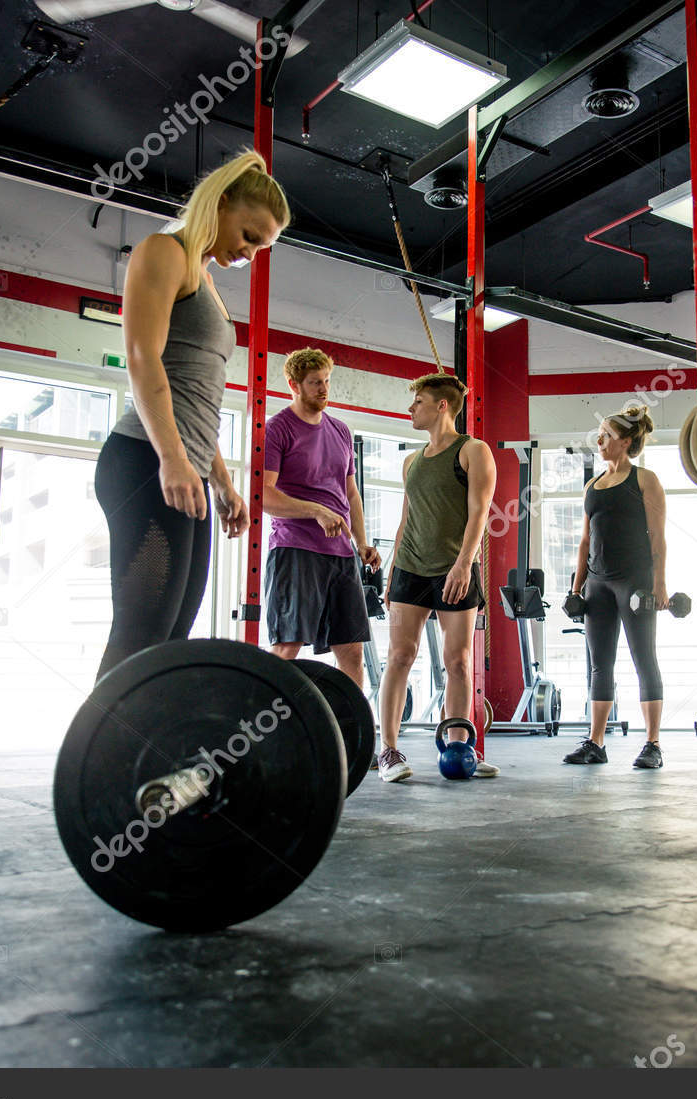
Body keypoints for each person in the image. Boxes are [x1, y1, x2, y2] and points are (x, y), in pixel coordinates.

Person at [94, 150, 286, 680]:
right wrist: (173, 459)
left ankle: (144, 757)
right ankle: (96, 760)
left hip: (185, 467)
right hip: (143, 462)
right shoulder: (164, 251)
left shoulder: (205, 279)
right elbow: (141, 357)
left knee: (172, 634)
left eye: (260, 247)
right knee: (141, 630)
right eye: (249, 235)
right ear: (221, 203)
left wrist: (222, 482)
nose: (249, 253)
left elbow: (194, 398)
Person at [375, 373, 498, 782]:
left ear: (442, 406)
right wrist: (392, 573)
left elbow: (479, 513)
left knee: (458, 662)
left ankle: (462, 747)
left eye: (419, 402)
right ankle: (388, 751)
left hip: (455, 568)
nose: (412, 409)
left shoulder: (473, 451)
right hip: (410, 568)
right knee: (399, 657)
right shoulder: (411, 461)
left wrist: (464, 563)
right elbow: (406, 518)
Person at [262, 348, 379, 685]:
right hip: (295, 549)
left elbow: (350, 493)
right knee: (287, 646)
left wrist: (362, 543)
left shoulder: (341, 430)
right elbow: (265, 496)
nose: (324, 389)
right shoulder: (278, 428)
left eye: (327, 381)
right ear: (294, 385)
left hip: (341, 555)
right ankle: (263, 726)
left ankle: (351, 733)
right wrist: (315, 511)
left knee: (352, 651)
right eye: (315, 383)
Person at [562, 406, 668, 769]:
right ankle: (596, 743)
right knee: (599, 665)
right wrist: (577, 589)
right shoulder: (593, 485)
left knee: (644, 660)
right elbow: (585, 541)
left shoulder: (645, 480)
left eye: (606, 435)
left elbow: (658, 539)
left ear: (625, 442)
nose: (600, 441)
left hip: (635, 582)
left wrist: (660, 585)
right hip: (598, 584)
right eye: (600, 434)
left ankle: (652, 744)